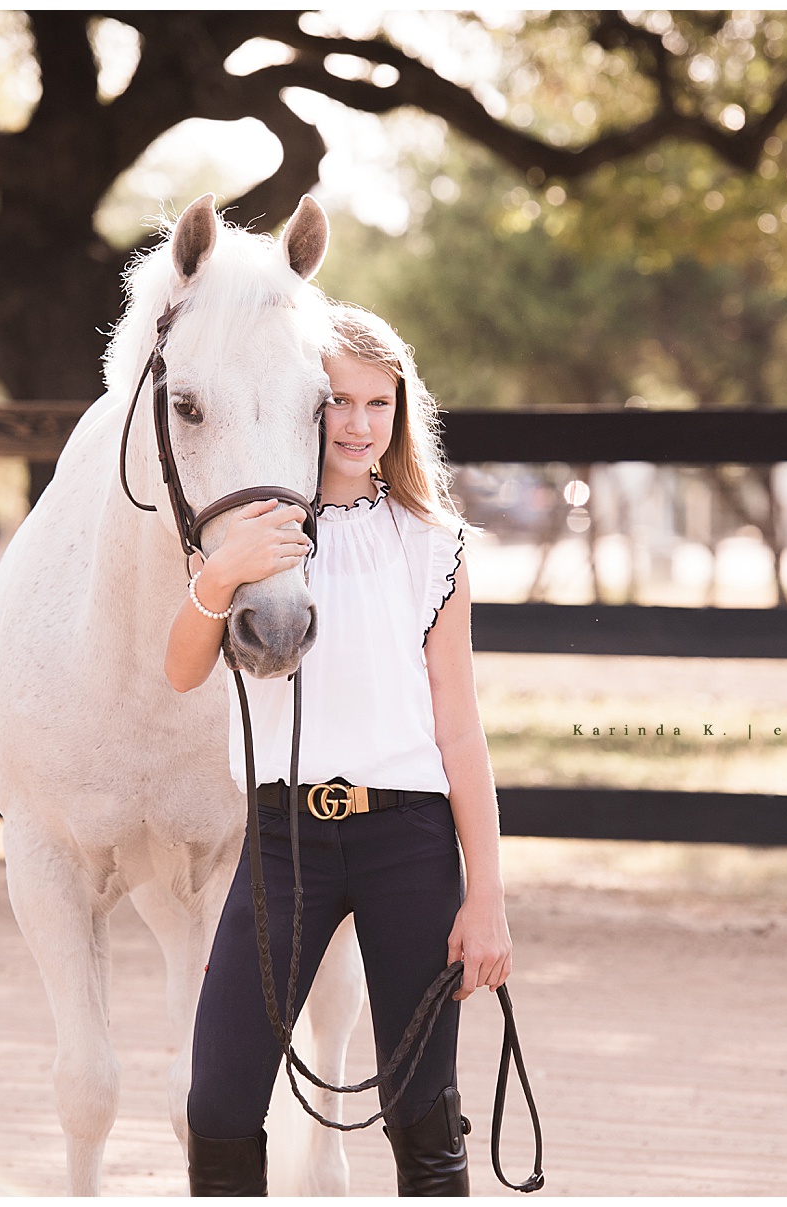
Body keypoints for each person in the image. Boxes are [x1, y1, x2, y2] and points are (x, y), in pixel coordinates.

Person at [164, 302, 512, 1196]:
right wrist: (218, 572)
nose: (358, 424)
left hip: (410, 841)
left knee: (421, 1105)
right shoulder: (260, 540)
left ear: (400, 415)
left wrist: (488, 898)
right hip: (283, 841)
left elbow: (460, 727)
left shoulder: (431, 546)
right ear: (304, 404)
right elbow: (179, 670)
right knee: (221, 1102)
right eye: (339, 401)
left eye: (379, 404)